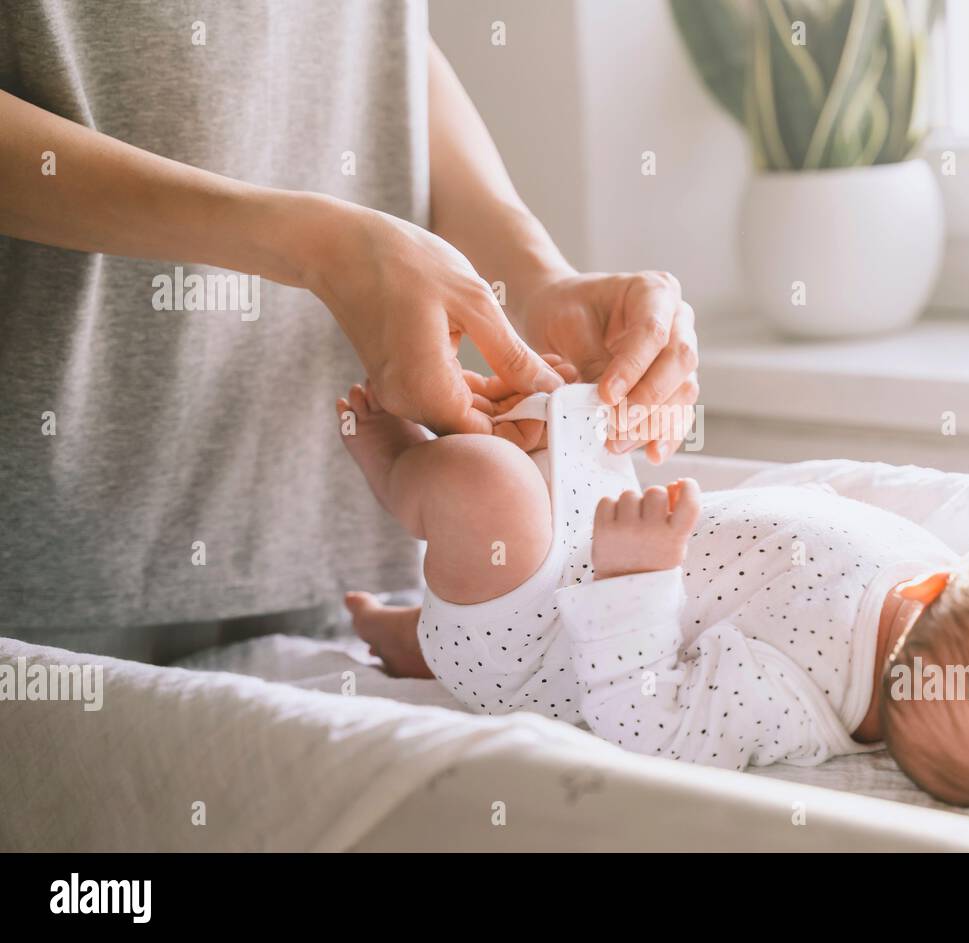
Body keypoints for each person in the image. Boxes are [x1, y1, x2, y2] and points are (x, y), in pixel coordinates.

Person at [0, 1, 697, 661]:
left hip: (342, 531)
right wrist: (323, 249)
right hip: (63, 535)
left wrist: (534, 274)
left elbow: (373, 36)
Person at [338, 380, 969, 809]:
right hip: (589, 547)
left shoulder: (797, 700)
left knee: (487, 484)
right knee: (561, 408)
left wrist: (635, 579)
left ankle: (395, 467)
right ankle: (406, 634)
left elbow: (652, 728)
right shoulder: (920, 562)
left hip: (535, 645)